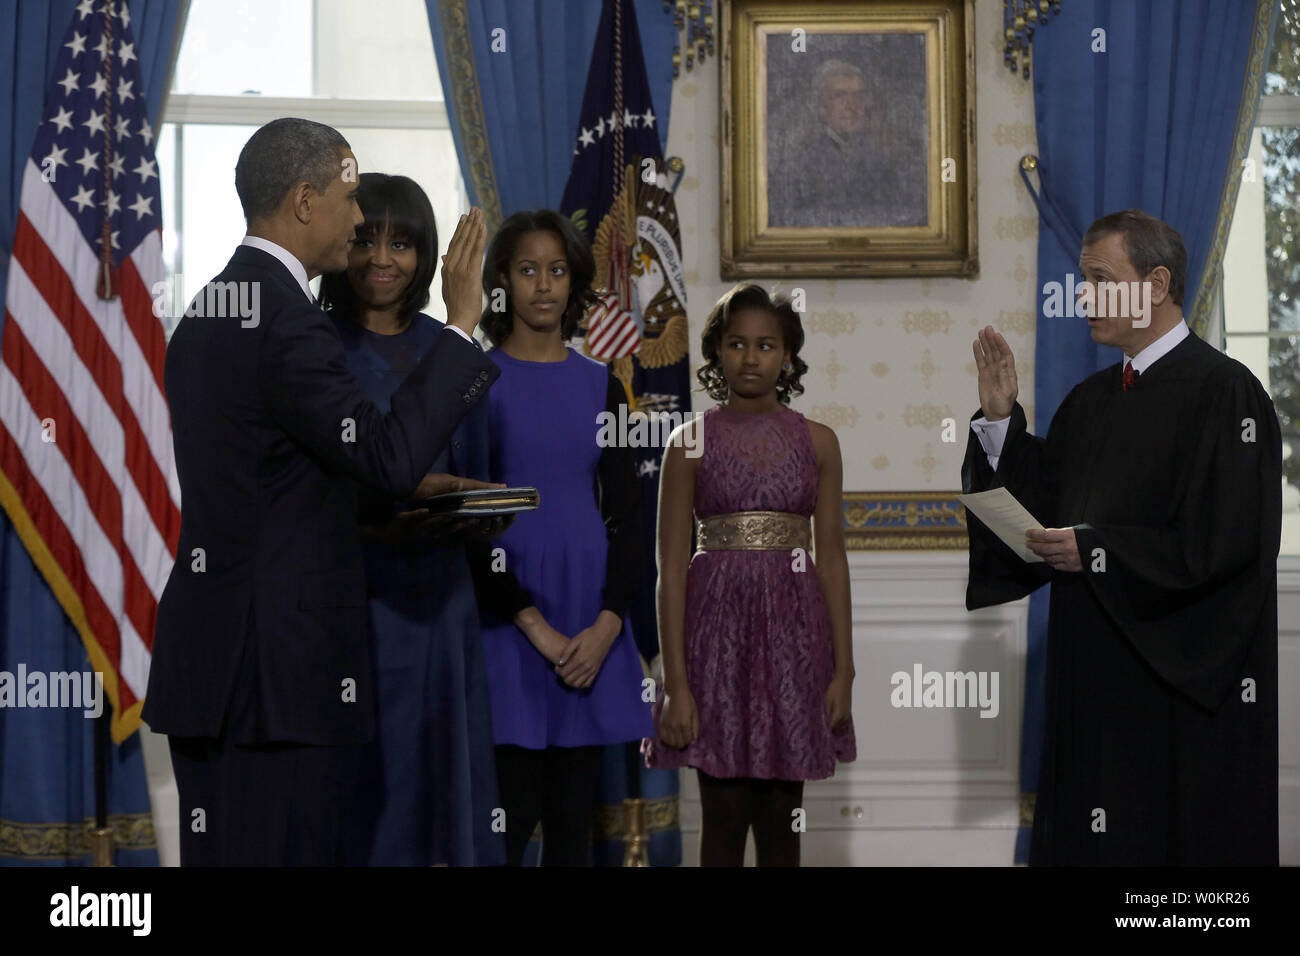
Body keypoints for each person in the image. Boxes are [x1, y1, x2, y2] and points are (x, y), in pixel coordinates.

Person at [142, 118, 497, 866]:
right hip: (279, 674)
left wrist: (386, 492)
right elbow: (390, 456)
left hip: (219, 662)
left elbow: (267, 477)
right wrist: (462, 325)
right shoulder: (291, 322)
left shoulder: (212, 306)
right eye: (349, 196)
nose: (360, 218)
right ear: (305, 200)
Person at [964, 208, 1281, 865]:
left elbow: (1227, 545)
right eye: (1083, 281)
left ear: (1156, 284)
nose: (1083, 297)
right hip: (1092, 673)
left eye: (1100, 279)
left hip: (1176, 689)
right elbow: (1040, 511)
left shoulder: (1228, 395)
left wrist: (1099, 550)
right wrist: (999, 425)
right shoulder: (1090, 400)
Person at [318, 172, 506, 866]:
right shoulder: (313, 344)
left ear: (427, 255)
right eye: (366, 238)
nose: (381, 258)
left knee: (442, 788)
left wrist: (483, 515)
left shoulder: (451, 347)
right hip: (352, 601)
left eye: (401, 242)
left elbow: (478, 468)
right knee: (367, 793)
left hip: (442, 602)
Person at [642, 282, 856, 867]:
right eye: (737, 344)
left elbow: (832, 559)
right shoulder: (689, 444)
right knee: (723, 824)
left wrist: (846, 670)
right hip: (715, 649)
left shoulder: (819, 443)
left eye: (766, 345)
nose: (751, 357)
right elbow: (670, 569)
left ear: (787, 355)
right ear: (716, 352)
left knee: (783, 827)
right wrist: (677, 686)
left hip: (795, 646)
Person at [466, 209, 653, 866]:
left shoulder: (604, 384)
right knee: (509, 817)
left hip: (587, 614)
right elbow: (466, 523)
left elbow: (630, 518)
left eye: (556, 270)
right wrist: (533, 626)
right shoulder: (475, 382)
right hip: (508, 616)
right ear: (502, 282)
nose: (543, 285)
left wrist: (606, 625)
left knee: (575, 825)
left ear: (574, 283)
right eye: (527, 270)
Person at [769, 59, 924, 229]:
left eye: (859, 95)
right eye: (840, 95)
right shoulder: (800, 160)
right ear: (821, 105)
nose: (852, 106)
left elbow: (908, 213)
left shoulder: (884, 154)